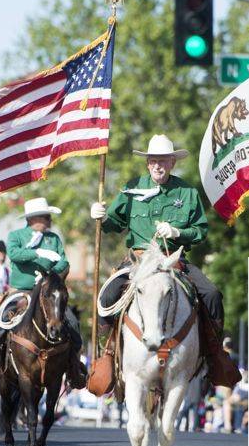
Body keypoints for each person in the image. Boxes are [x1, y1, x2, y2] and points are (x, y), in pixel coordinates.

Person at [90, 134, 239, 387]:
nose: (158, 165)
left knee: (212, 294)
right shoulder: (131, 188)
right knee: (106, 297)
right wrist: (101, 217)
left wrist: (178, 232)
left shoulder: (187, 192)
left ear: (172, 162)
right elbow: (114, 224)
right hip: (137, 262)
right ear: (147, 163)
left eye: (163, 160)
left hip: (173, 261)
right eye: (153, 161)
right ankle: (108, 354)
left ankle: (214, 354)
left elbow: (201, 231)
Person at [0, 198, 86, 390]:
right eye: (46, 216)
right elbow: (14, 253)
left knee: (71, 321)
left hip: (47, 292)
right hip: (21, 291)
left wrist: (52, 274)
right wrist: (38, 254)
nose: (49, 220)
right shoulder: (17, 235)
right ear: (33, 219)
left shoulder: (54, 239)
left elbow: (64, 262)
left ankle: (74, 367)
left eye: (48, 216)